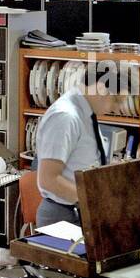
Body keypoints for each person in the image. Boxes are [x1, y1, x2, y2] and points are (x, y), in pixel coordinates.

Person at [34, 62, 117, 227]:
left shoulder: (84, 112)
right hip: (63, 215)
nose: (115, 107)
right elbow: (48, 179)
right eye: (115, 100)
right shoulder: (66, 117)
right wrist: (93, 199)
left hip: (79, 209)